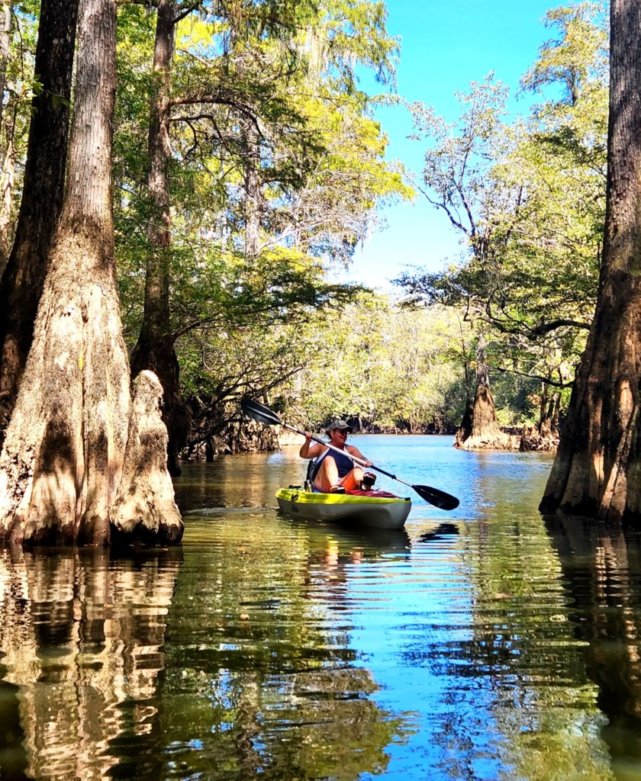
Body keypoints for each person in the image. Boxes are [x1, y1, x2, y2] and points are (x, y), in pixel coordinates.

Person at [299, 420, 376, 492]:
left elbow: (362, 458)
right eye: (342, 432)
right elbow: (304, 455)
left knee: (357, 470)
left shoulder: (351, 449)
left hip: (343, 484)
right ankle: (335, 487)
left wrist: (367, 461)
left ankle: (364, 485)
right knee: (329, 460)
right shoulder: (322, 446)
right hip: (323, 484)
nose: (344, 435)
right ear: (332, 433)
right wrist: (307, 442)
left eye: (346, 432)